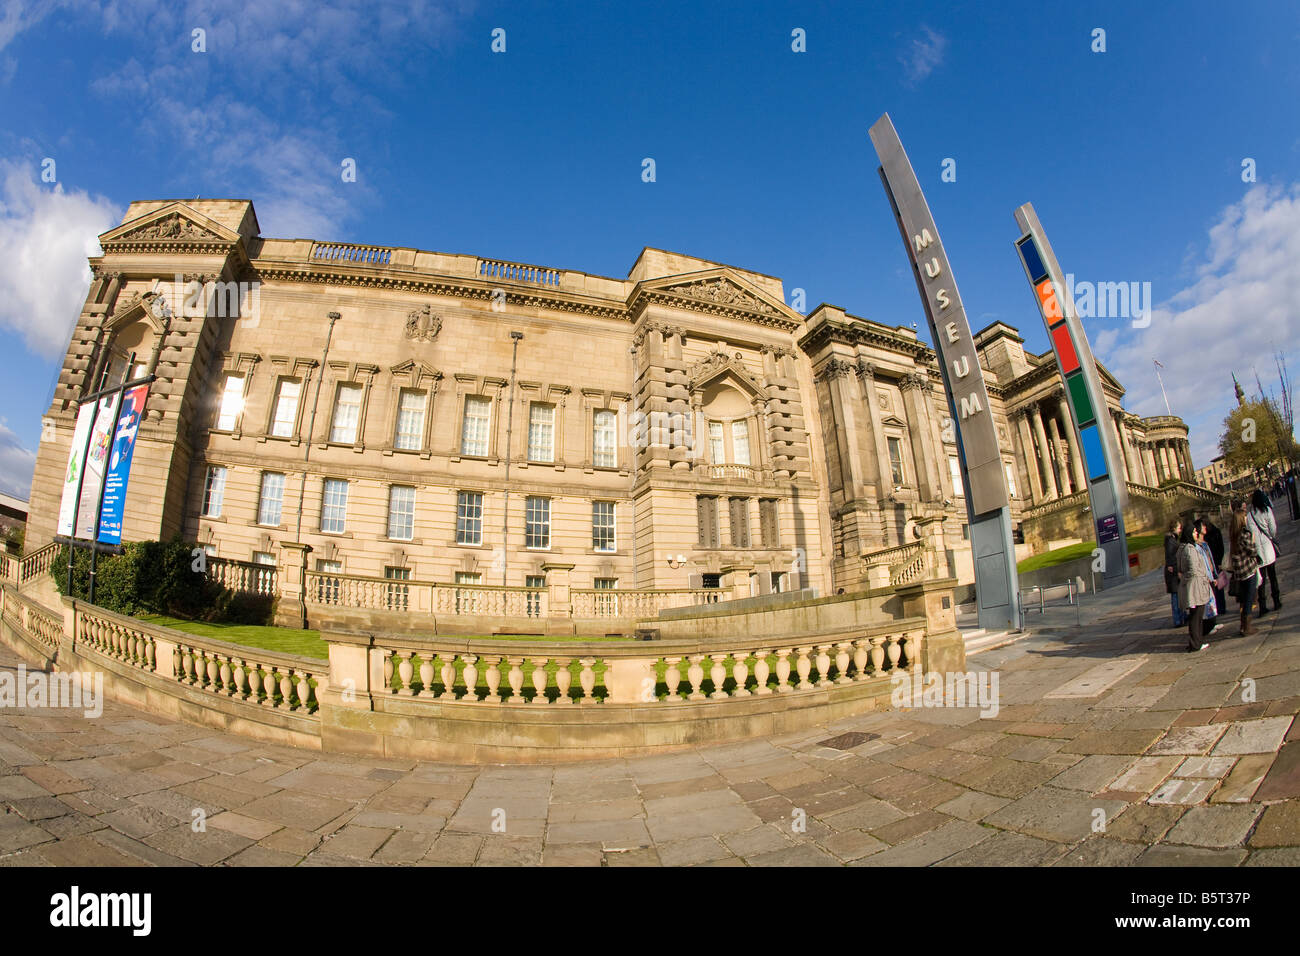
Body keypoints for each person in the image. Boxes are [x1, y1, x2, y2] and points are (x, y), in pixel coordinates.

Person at [1176, 521, 1213, 652]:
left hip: (1191, 586)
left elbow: (1180, 569)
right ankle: (1196, 643)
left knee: (1195, 616)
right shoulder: (1190, 549)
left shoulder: (1182, 547)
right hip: (1195, 586)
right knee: (1196, 617)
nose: (1196, 533)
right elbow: (1192, 569)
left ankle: (1195, 642)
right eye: (1194, 531)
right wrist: (1202, 577)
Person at [1228, 507, 1261, 637]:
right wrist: (1253, 539)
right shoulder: (1244, 533)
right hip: (1248, 570)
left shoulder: (1233, 534)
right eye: (1245, 517)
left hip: (1239, 572)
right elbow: (1252, 551)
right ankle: (1247, 627)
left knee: (1244, 599)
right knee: (1249, 599)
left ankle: (1243, 625)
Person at [1248, 488, 1282, 615]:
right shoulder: (1267, 511)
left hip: (1258, 552)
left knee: (1261, 580)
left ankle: (1262, 606)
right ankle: (1276, 601)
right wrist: (1271, 536)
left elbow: (1251, 534)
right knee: (1273, 577)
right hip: (1268, 548)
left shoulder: (1250, 516)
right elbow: (1273, 529)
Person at [1199, 513, 1227, 614]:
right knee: (1217, 586)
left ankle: (1219, 607)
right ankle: (1220, 607)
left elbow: (1220, 547)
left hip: (1213, 562)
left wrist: (1218, 561)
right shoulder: (1215, 531)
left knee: (1216, 586)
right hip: (1214, 562)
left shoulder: (1210, 534)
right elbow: (1221, 548)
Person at [1164, 518, 1185, 628]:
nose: (1180, 530)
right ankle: (1178, 619)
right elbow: (1170, 556)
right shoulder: (1170, 540)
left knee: (1178, 595)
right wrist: (1174, 569)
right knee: (1176, 596)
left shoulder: (1172, 539)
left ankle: (1181, 617)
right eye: (1178, 528)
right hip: (1173, 573)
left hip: (1174, 570)